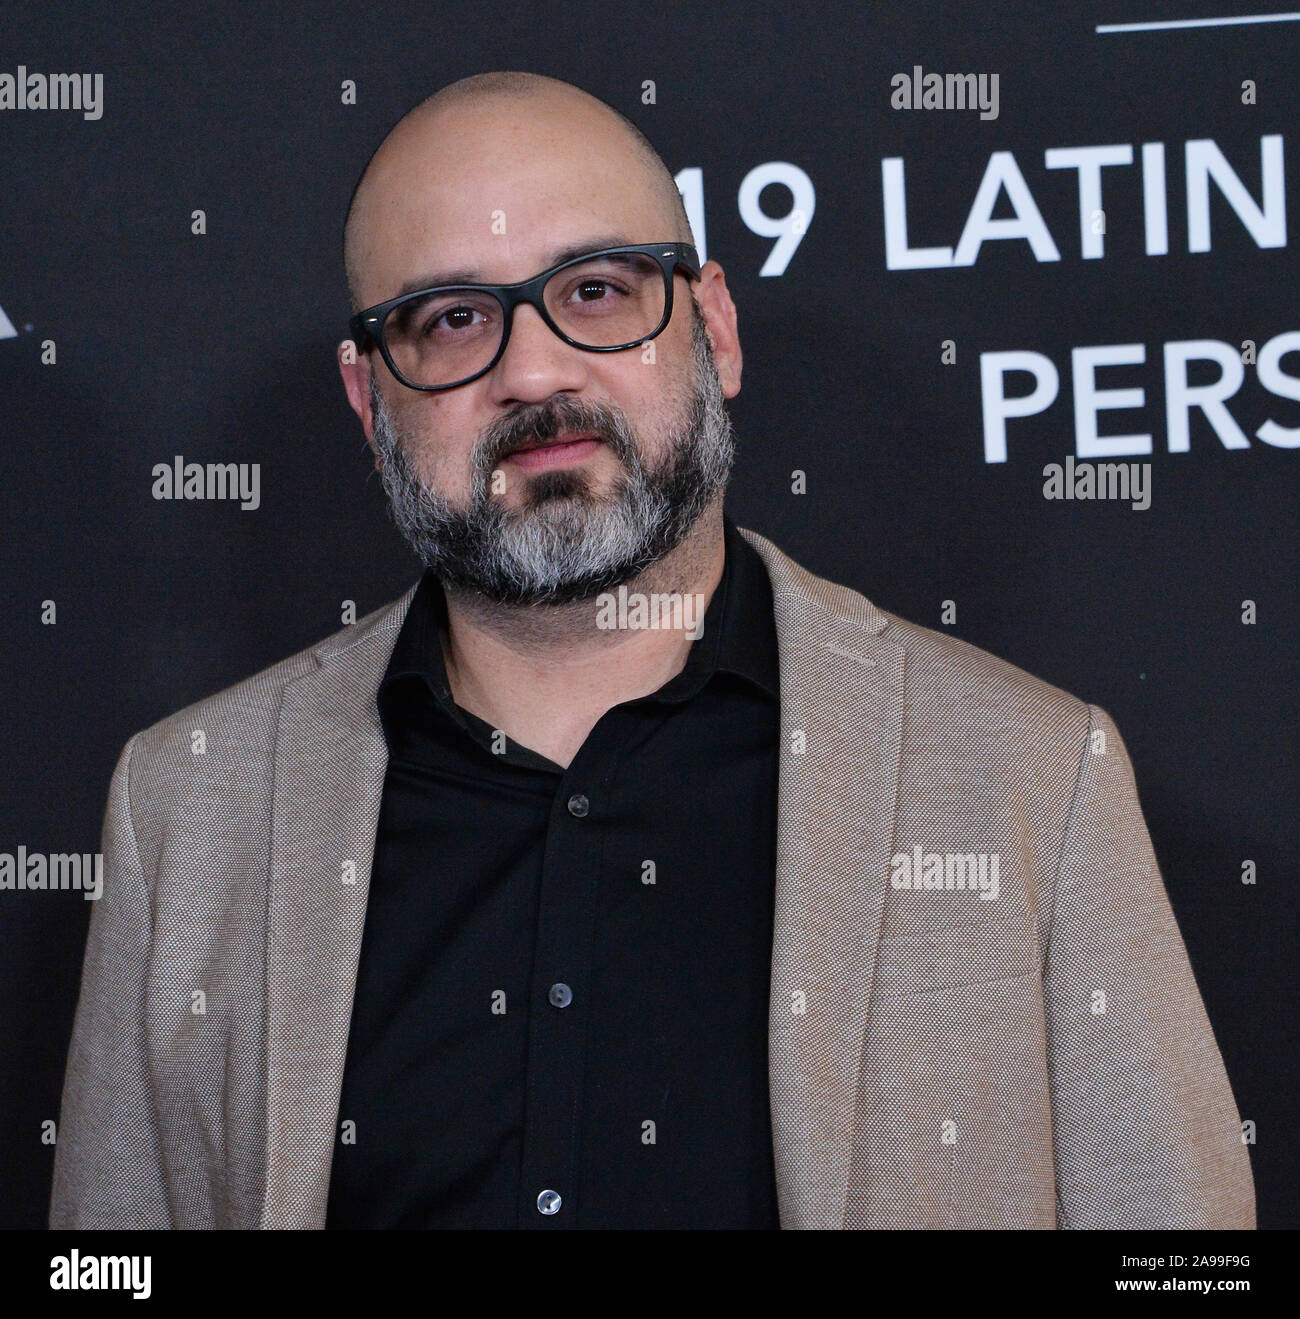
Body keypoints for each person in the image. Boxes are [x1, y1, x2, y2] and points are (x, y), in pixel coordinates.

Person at [50, 71, 1254, 1230]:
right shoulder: (189, 805)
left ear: (715, 328)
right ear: (371, 404)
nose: (533, 371)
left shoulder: (1029, 773)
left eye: (596, 291)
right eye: (452, 317)